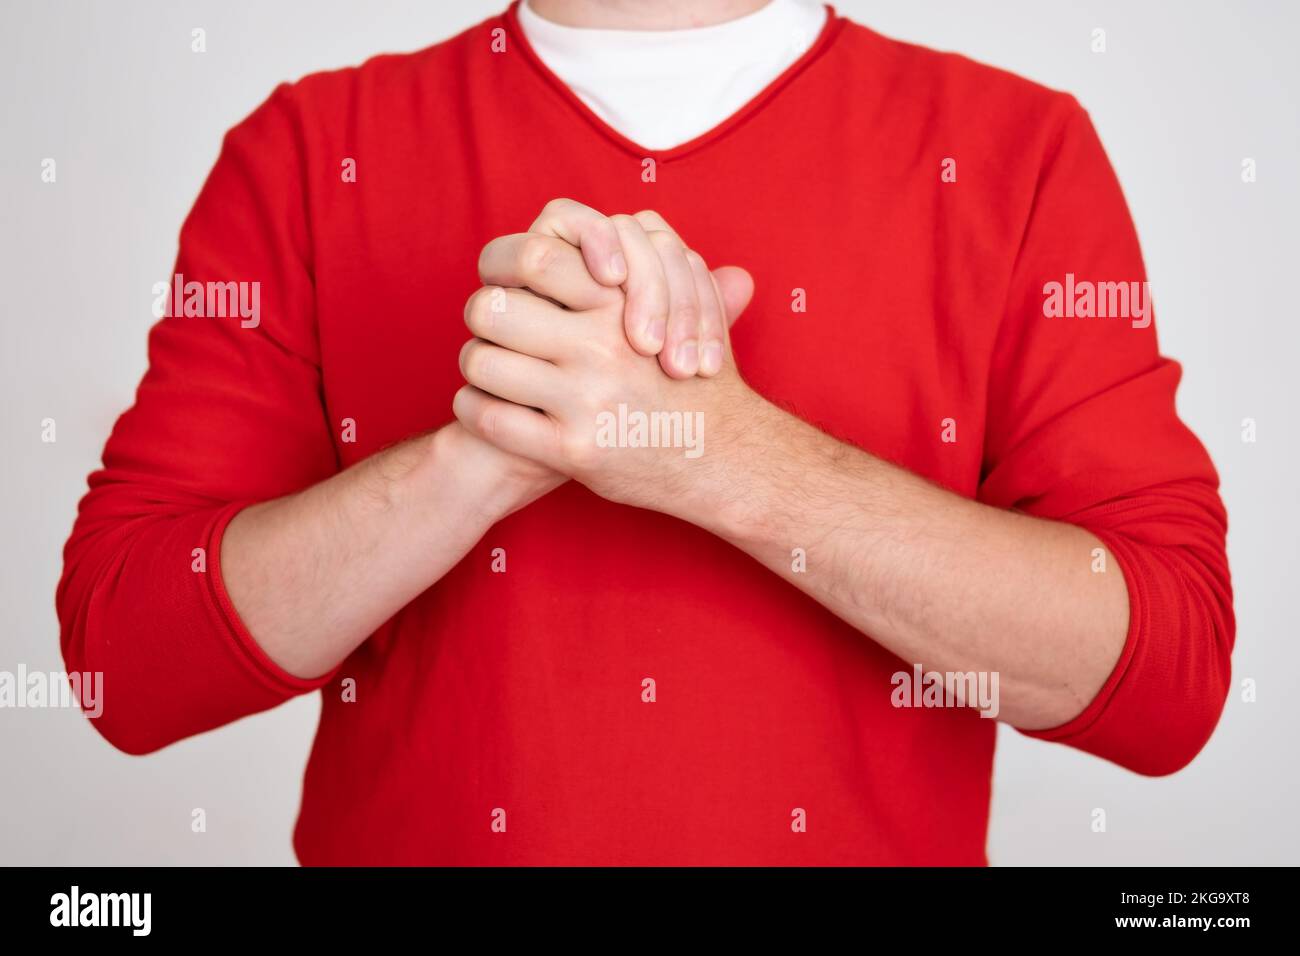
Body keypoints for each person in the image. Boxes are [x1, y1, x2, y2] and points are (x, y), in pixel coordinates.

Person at [58, 0, 1234, 865]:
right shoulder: (307, 148)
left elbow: (1164, 677)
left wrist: (712, 453)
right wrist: (495, 446)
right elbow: (128, 663)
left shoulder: (1016, 151)